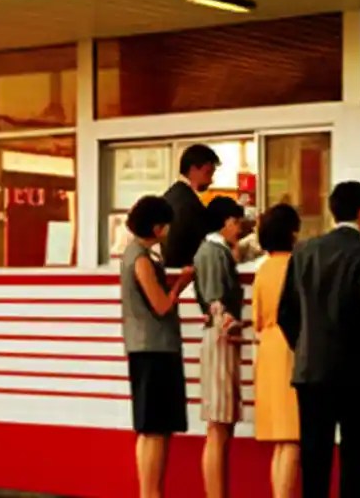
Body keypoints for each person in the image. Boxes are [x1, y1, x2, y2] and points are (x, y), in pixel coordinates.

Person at [278, 181, 360, 498]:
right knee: (355, 457)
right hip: (355, 373)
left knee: (314, 458)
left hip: (310, 370)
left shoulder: (304, 251)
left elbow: (286, 311)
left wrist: (303, 346)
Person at [120, 195, 196, 498]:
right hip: (153, 350)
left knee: (156, 428)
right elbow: (161, 304)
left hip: (148, 349)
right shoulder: (140, 258)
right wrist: (183, 283)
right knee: (154, 429)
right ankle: (150, 493)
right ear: (156, 226)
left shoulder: (138, 254)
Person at [193, 196, 247, 498]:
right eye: (236, 221)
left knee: (222, 425)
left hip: (218, 336)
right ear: (226, 221)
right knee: (219, 426)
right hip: (220, 338)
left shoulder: (214, 250)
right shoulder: (214, 253)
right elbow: (216, 303)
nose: (239, 228)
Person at [252, 204, 303, 498]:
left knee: (279, 442)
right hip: (292, 349)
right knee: (293, 438)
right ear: (292, 232)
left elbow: (257, 319)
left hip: (269, 351)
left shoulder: (263, 270)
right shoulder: (298, 266)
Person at [162, 144, 220, 268]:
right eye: (208, 173)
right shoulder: (187, 203)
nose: (211, 181)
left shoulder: (171, 195)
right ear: (193, 170)